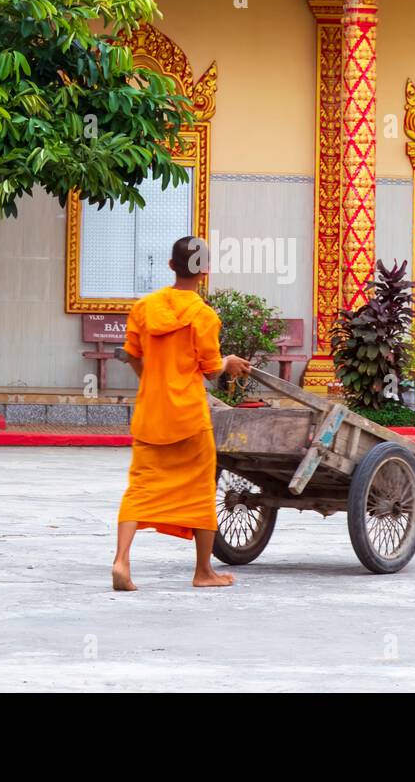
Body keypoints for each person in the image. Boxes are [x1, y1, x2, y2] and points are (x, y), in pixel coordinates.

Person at [112, 236, 251, 591]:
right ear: (205, 271)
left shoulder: (145, 307)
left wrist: (151, 382)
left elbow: (132, 355)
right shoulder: (203, 316)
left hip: (150, 415)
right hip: (189, 418)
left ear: (172, 266)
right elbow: (208, 369)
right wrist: (229, 363)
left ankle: (122, 562)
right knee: (201, 490)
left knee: (139, 487)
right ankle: (204, 572)